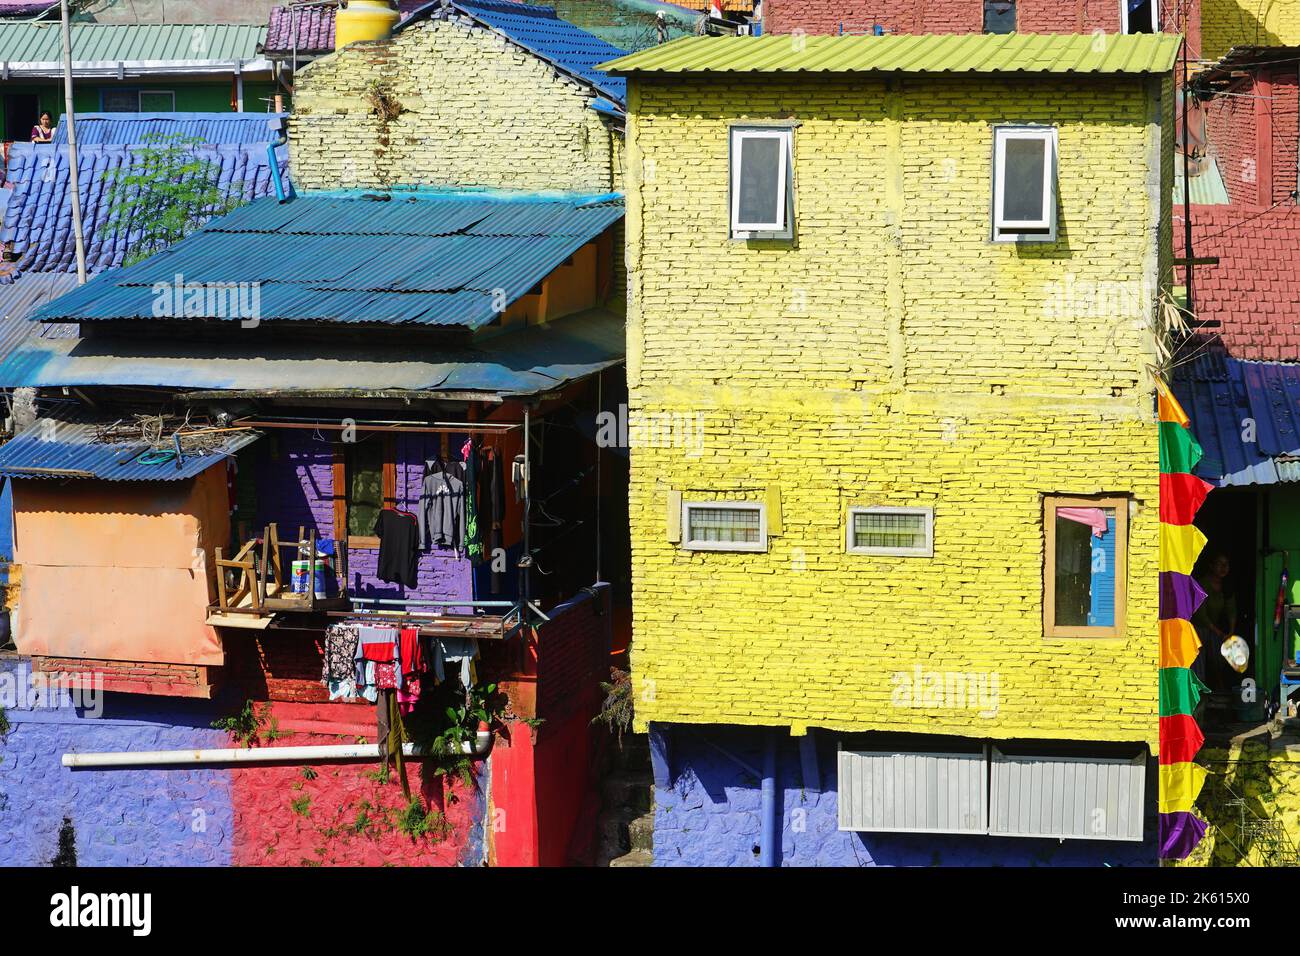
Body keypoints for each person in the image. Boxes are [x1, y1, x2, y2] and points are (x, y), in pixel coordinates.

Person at [1192, 552, 1239, 691]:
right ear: (1211, 566)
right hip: (1198, 628)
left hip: (1214, 629)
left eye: (1226, 564)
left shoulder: (1226, 586)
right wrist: (1220, 633)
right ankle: (1199, 692)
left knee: (1219, 658)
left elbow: (1231, 609)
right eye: (1220, 564)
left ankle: (1219, 688)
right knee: (1199, 660)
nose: (1224, 567)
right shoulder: (1202, 584)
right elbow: (1201, 615)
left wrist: (1231, 631)